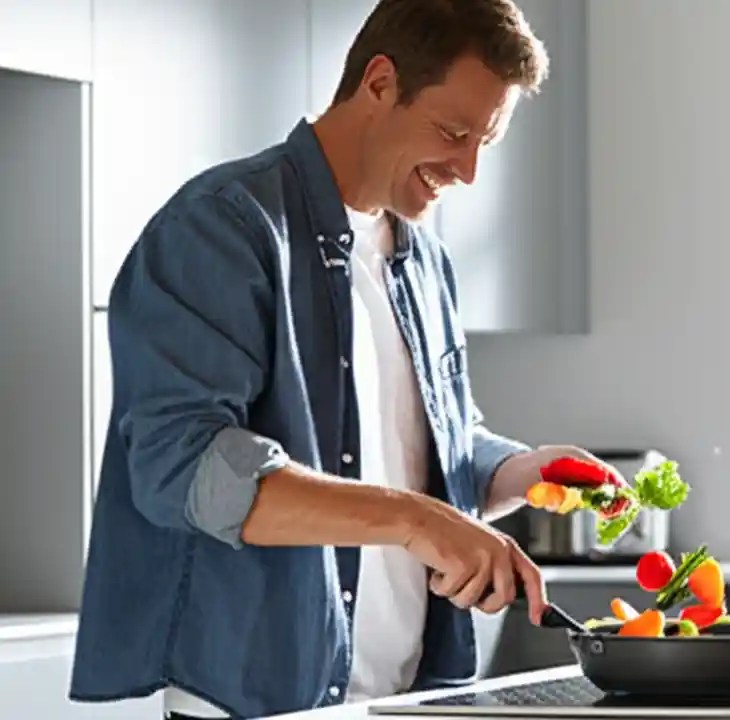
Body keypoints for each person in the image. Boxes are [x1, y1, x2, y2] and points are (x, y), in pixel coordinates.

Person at [69, 1, 618, 718]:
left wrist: (521, 472)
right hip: (260, 705)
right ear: (381, 82)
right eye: (454, 134)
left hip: (410, 698)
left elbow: (413, 450)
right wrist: (418, 521)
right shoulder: (222, 229)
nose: (469, 171)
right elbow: (185, 467)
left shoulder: (424, 261)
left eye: (486, 142)